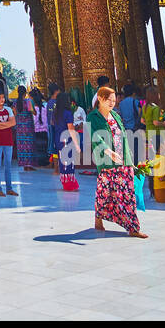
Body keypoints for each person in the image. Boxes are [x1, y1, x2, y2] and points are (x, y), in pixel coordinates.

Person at [89, 86, 147, 238]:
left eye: (114, 101)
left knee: (127, 194)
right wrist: (109, 152)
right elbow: (96, 137)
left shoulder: (115, 115)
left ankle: (133, 228)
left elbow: (123, 138)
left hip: (123, 161)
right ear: (100, 99)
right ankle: (98, 219)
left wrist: (129, 159)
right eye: (109, 100)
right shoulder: (93, 117)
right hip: (107, 162)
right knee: (104, 193)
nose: (112, 103)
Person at [0, 86, 17, 197]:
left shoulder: (8, 110)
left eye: (3, 97)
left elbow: (13, 123)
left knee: (8, 165)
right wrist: (6, 124)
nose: (2, 99)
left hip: (8, 141)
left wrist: (0, 124)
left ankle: (9, 188)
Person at [52, 88, 79, 190]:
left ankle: (65, 183)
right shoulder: (68, 113)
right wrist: (76, 143)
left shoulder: (56, 113)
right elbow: (70, 128)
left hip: (58, 139)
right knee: (69, 162)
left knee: (63, 161)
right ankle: (70, 184)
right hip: (67, 140)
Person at [14, 86, 39, 171]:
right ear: (25, 93)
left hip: (20, 127)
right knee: (29, 146)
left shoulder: (15, 103)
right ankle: (29, 165)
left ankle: (24, 165)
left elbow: (15, 114)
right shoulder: (28, 102)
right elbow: (34, 113)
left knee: (21, 146)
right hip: (28, 127)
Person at [31, 87, 49, 161]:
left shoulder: (33, 109)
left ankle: (39, 162)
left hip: (36, 131)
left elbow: (34, 121)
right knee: (45, 148)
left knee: (38, 148)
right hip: (45, 131)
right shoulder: (45, 106)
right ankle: (45, 162)